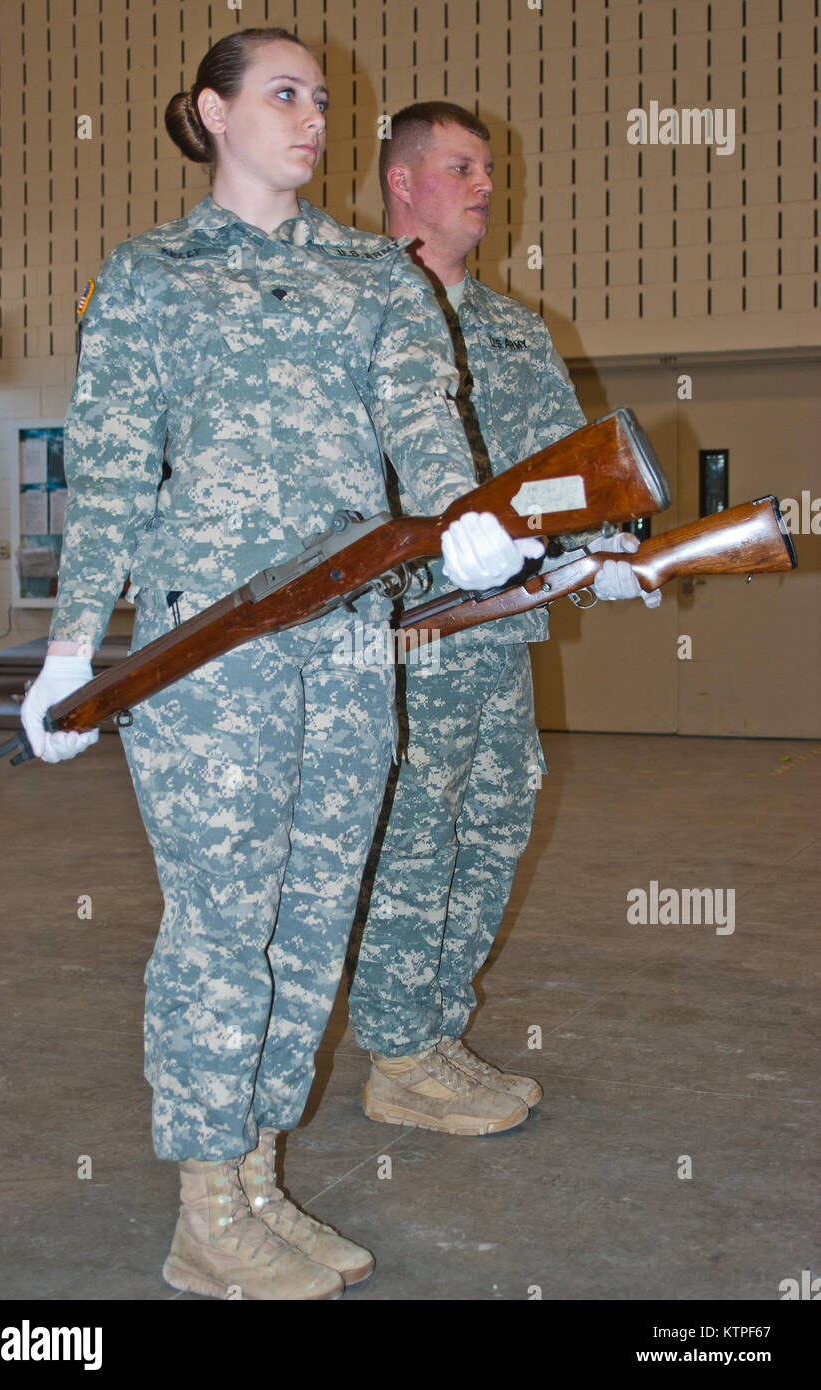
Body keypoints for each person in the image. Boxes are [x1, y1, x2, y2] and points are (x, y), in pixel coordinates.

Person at [19, 44, 543, 1300]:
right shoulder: (154, 274)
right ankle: (206, 1208)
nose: (315, 119)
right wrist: (72, 641)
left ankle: (256, 1179)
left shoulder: (372, 275)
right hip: (212, 655)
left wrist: (460, 521)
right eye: (286, 97)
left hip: (354, 642)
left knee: (312, 922)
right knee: (222, 927)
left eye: (321, 100)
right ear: (214, 116)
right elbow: (110, 464)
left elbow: (421, 423)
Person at [349, 103, 660, 1136]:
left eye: (489, 167)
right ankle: (395, 1051)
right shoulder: (351, 314)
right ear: (402, 182)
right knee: (413, 832)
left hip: (504, 631)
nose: (484, 184)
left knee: (494, 820)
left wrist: (603, 557)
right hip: (408, 632)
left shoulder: (517, 331)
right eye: (460, 167)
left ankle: (436, 1032)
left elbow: (568, 483)